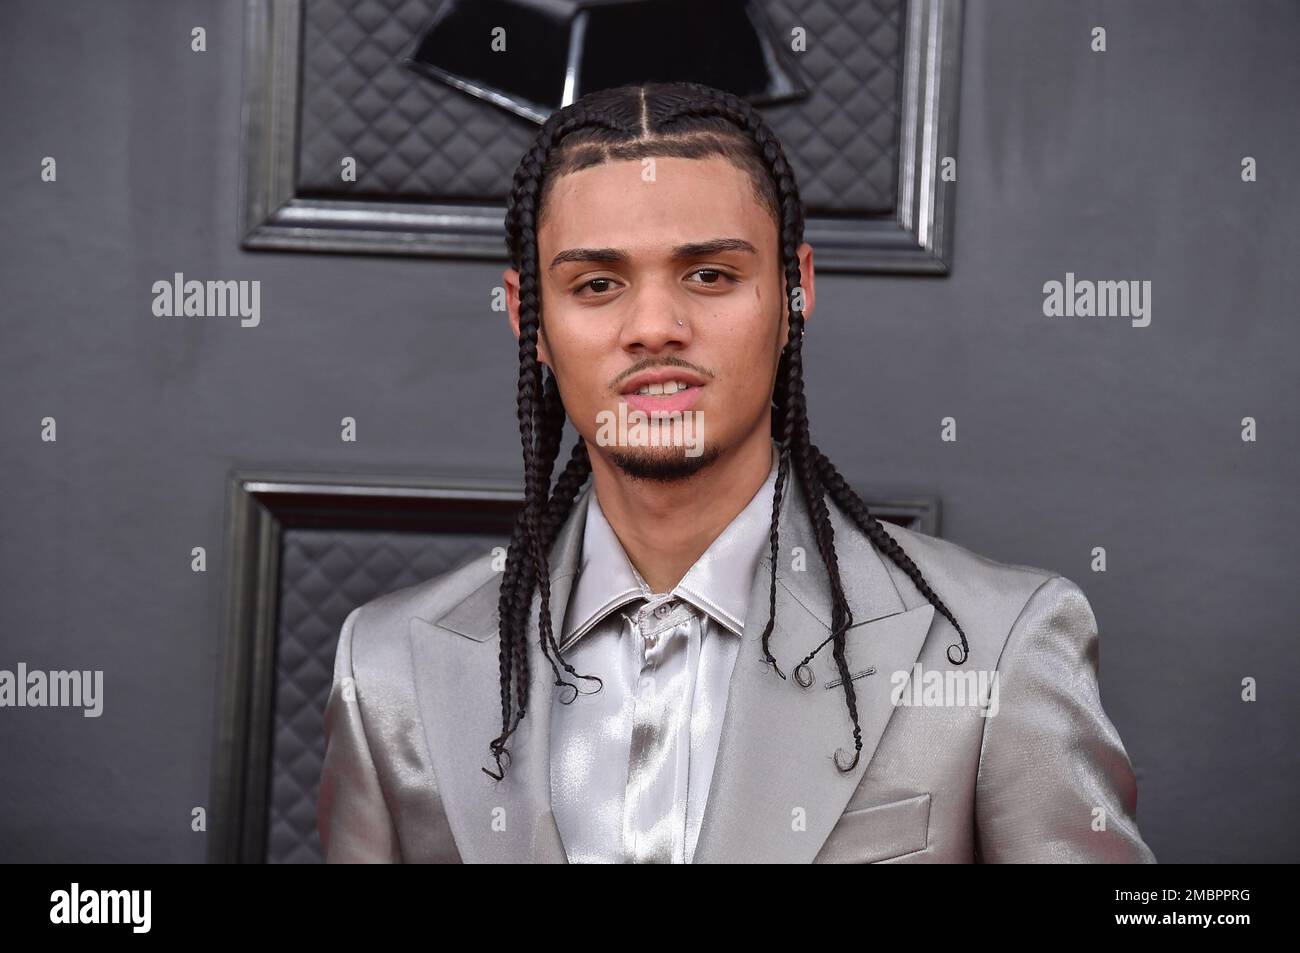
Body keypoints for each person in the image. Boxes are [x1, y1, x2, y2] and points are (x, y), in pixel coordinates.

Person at [316, 81, 1155, 863]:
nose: (655, 326)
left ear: (795, 291)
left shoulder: (998, 645)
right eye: (598, 282)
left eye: (710, 275)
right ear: (528, 317)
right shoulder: (388, 668)